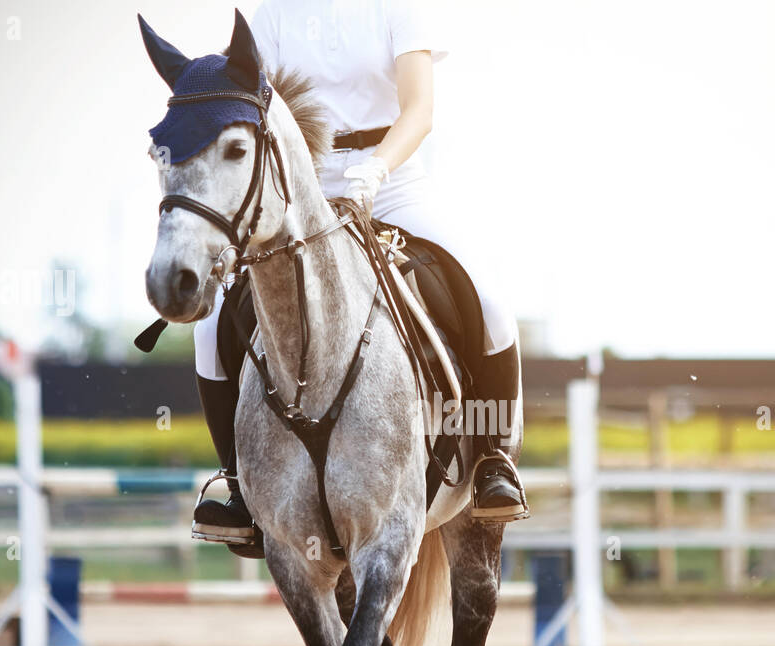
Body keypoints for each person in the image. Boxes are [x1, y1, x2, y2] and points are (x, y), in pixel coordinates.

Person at [191, 0, 526, 556]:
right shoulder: (273, 14)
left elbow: (419, 110)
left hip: (392, 178)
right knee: (210, 327)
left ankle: (493, 457)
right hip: (303, 184)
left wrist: (376, 169)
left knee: (490, 300)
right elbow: (258, 108)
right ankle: (237, 483)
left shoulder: (399, 8)